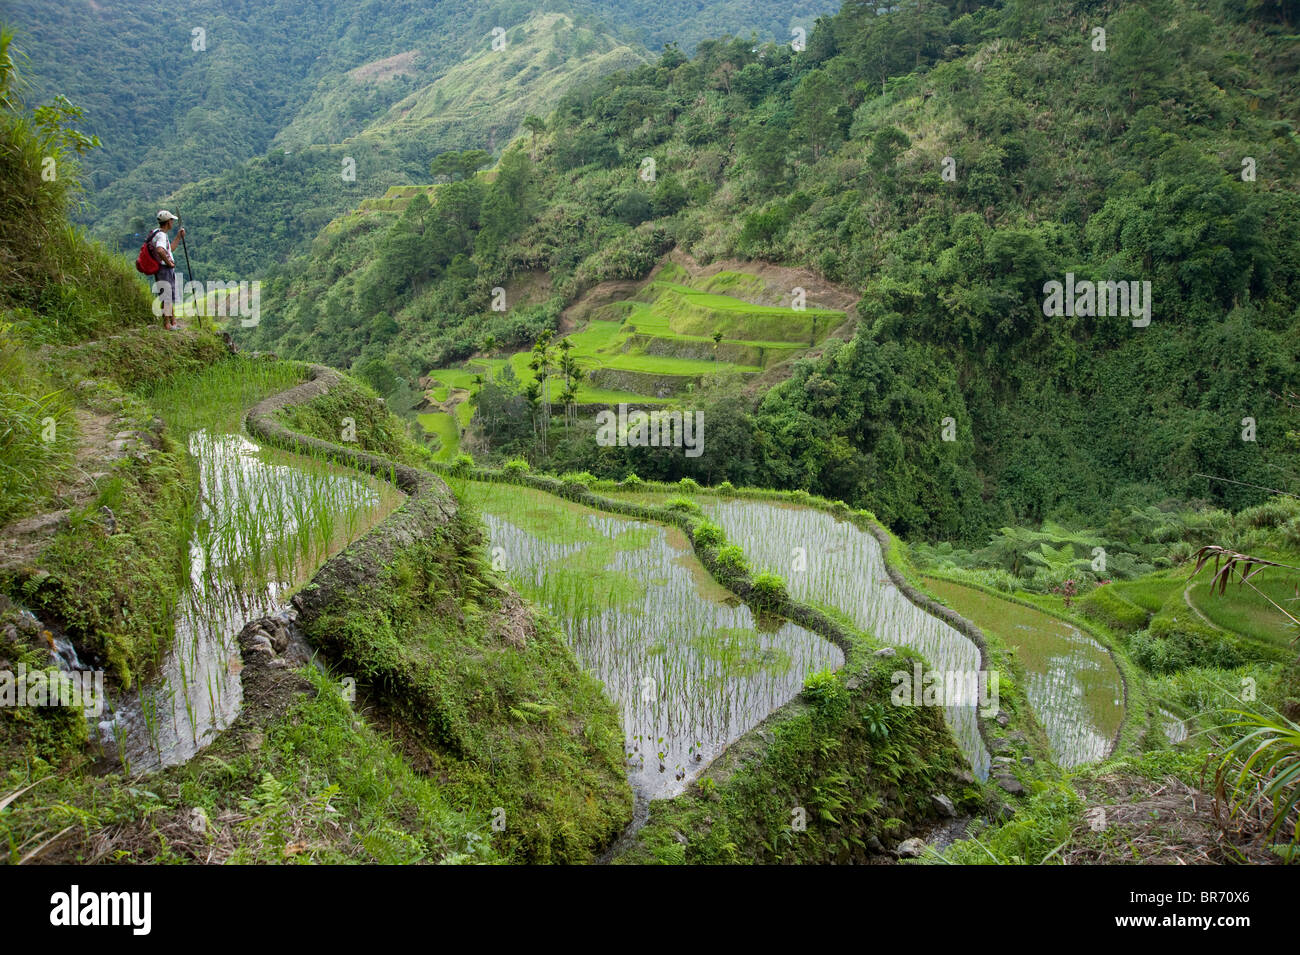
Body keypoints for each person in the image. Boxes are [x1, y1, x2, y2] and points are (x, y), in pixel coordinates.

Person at [150, 210, 186, 330]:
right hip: (164, 269)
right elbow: (160, 250)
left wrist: (178, 237)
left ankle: (172, 321)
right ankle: (167, 324)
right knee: (167, 296)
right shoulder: (161, 235)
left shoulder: (157, 233)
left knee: (167, 295)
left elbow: (170, 250)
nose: (172, 222)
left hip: (162, 269)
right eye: (171, 220)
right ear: (168, 222)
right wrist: (169, 263)